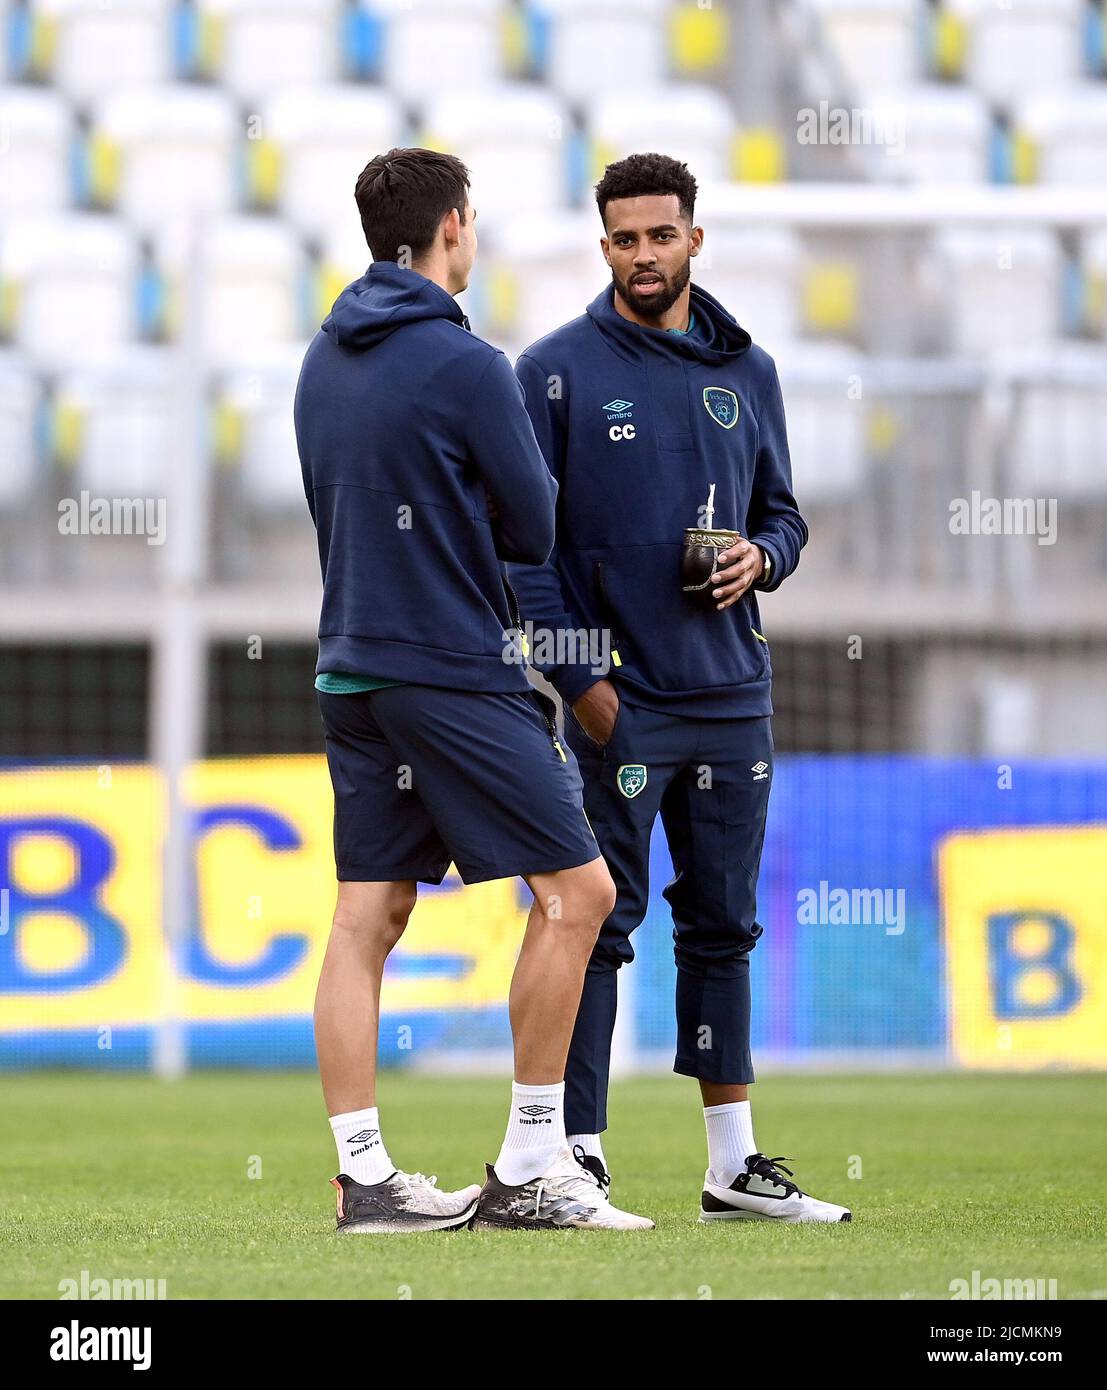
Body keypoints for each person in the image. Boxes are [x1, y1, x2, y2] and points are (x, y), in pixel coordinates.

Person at [295, 147, 651, 1233]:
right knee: (577, 895)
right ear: (451, 227)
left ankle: (363, 1177)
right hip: (451, 666)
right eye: (474, 220)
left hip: (349, 662)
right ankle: (530, 1166)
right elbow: (533, 526)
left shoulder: (320, 357)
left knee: (367, 915)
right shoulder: (466, 364)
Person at [509, 152, 850, 1223]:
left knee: (722, 927)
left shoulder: (746, 369)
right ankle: (578, 1152)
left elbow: (785, 513)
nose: (643, 255)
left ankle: (731, 1165)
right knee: (594, 924)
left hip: (732, 693)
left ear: (694, 238)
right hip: (621, 703)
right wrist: (584, 685)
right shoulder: (553, 370)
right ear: (601, 244)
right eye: (623, 238)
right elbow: (521, 552)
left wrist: (766, 557)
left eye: (661, 235)